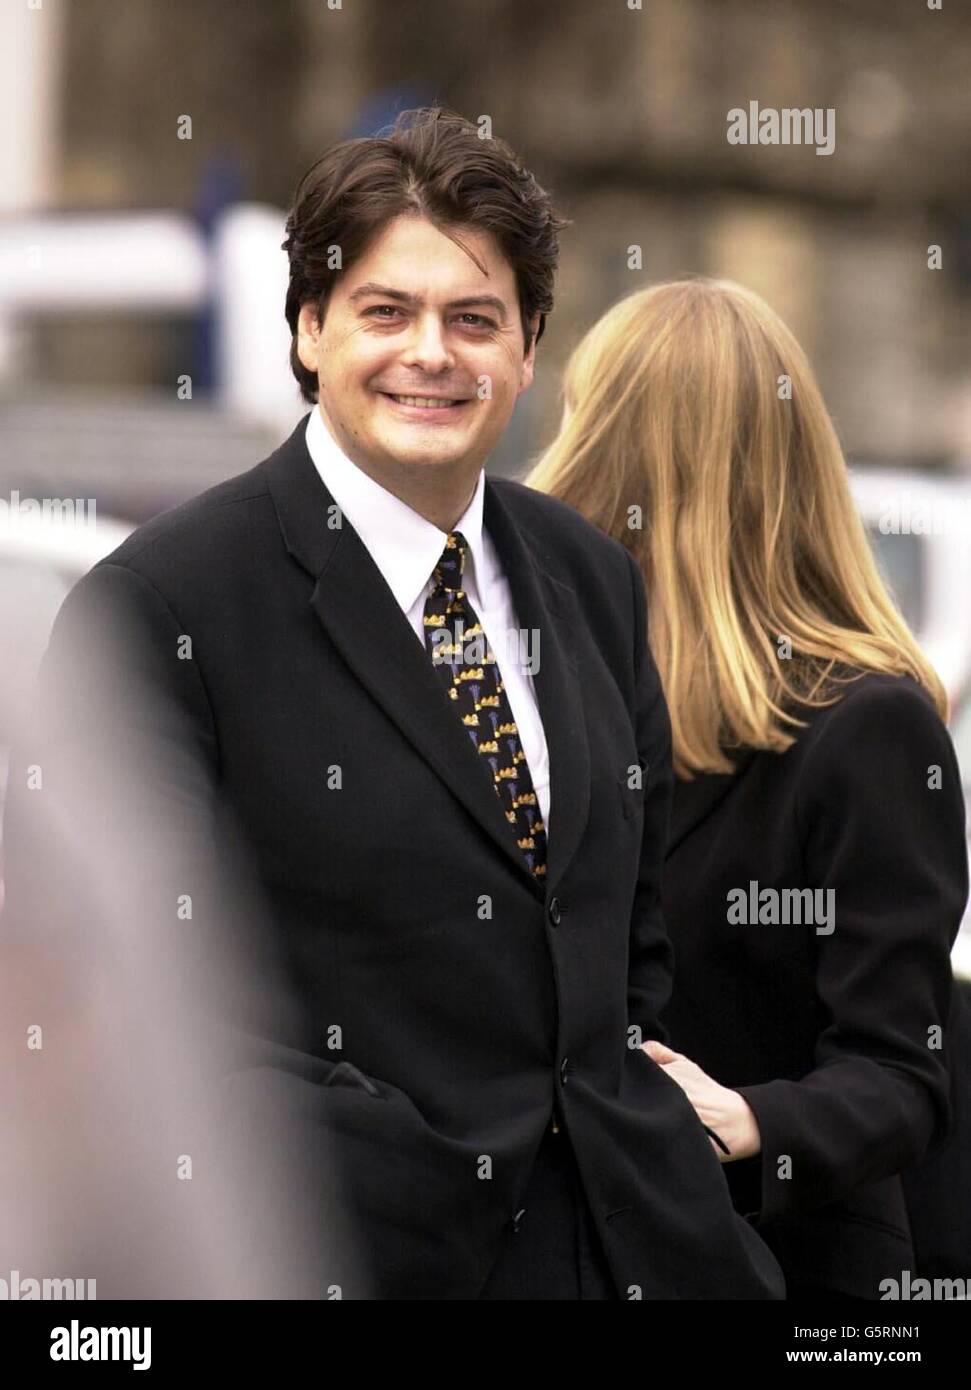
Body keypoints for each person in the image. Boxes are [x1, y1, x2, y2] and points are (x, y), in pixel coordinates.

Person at [1, 116, 784, 1301]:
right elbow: (134, 1009)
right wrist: (400, 1176)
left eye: (474, 319)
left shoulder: (590, 579)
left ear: (527, 348)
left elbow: (625, 940)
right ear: (309, 329)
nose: (431, 353)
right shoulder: (160, 606)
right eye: (386, 311)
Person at [527, 277, 968, 1300]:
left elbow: (902, 1072)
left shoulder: (864, 727)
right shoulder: (548, 693)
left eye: (581, 416)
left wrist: (747, 1119)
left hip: (783, 1273)